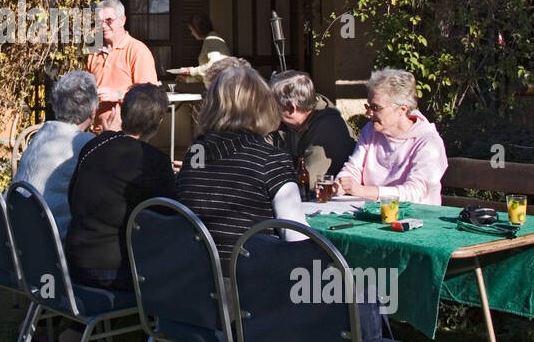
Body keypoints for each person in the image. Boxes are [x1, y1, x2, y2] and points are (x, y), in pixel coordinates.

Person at [176, 66, 307, 266]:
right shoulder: (271, 159)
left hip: (195, 282)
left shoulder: (195, 154)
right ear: (263, 105)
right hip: (251, 285)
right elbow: (297, 238)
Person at [65, 84, 175, 291]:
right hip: (112, 270)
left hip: (74, 260)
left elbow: (72, 196)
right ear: (160, 121)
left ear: (122, 113)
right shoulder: (154, 161)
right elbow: (169, 219)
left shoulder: (94, 145)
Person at [337, 69, 448, 205]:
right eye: (368, 106)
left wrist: (363, 191)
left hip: (415, 219)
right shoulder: (371, 130)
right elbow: (353, 169)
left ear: (402, 110)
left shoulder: (428, 142)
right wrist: (337, 186)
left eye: (375, 107)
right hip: (373, 214)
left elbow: (415, 192)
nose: (368, 113)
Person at [11, 71, 99, 236]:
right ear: (93, 111)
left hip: (17, 230)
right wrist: (111, 138)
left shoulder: (44, 131)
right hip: (51, 241)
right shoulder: (86, 143)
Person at [267, 70, 357, 191]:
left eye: (271, 104)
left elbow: (308, 181)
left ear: (291, 108)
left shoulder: (328, 129)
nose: (266, 108)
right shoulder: (285, 124)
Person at [85, 0, 159, 132]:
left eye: (109, 20)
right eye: (99, 22)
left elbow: (150, 97)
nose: (103, 26)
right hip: (98, 135)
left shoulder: (138, 51)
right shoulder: (94, 54)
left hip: (128, 135)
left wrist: (119, 96)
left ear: (122, 20)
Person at [172, 12, 229, 86]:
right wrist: (188, 79)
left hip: (219, 88)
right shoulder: (208, 40)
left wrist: (190, 71)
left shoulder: (211, 39)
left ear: (198, 28)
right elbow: (207, 73)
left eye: (192, 29)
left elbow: (214, 66)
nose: (191, 33)